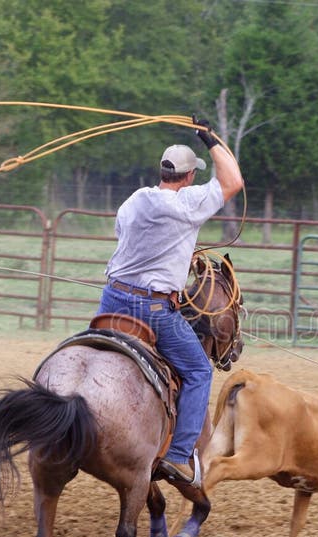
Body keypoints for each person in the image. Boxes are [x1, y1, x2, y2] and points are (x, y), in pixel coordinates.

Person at [97, 118, 243, 485]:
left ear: (162, 171)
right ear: (190, 176)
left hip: (113, 298)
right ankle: (179, 456)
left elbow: (132, 241)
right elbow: (233, 181)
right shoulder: (188, 203)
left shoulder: (134, 201)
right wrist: (209, 137)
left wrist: (175, 255)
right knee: (199, 371)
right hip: (153, 308)